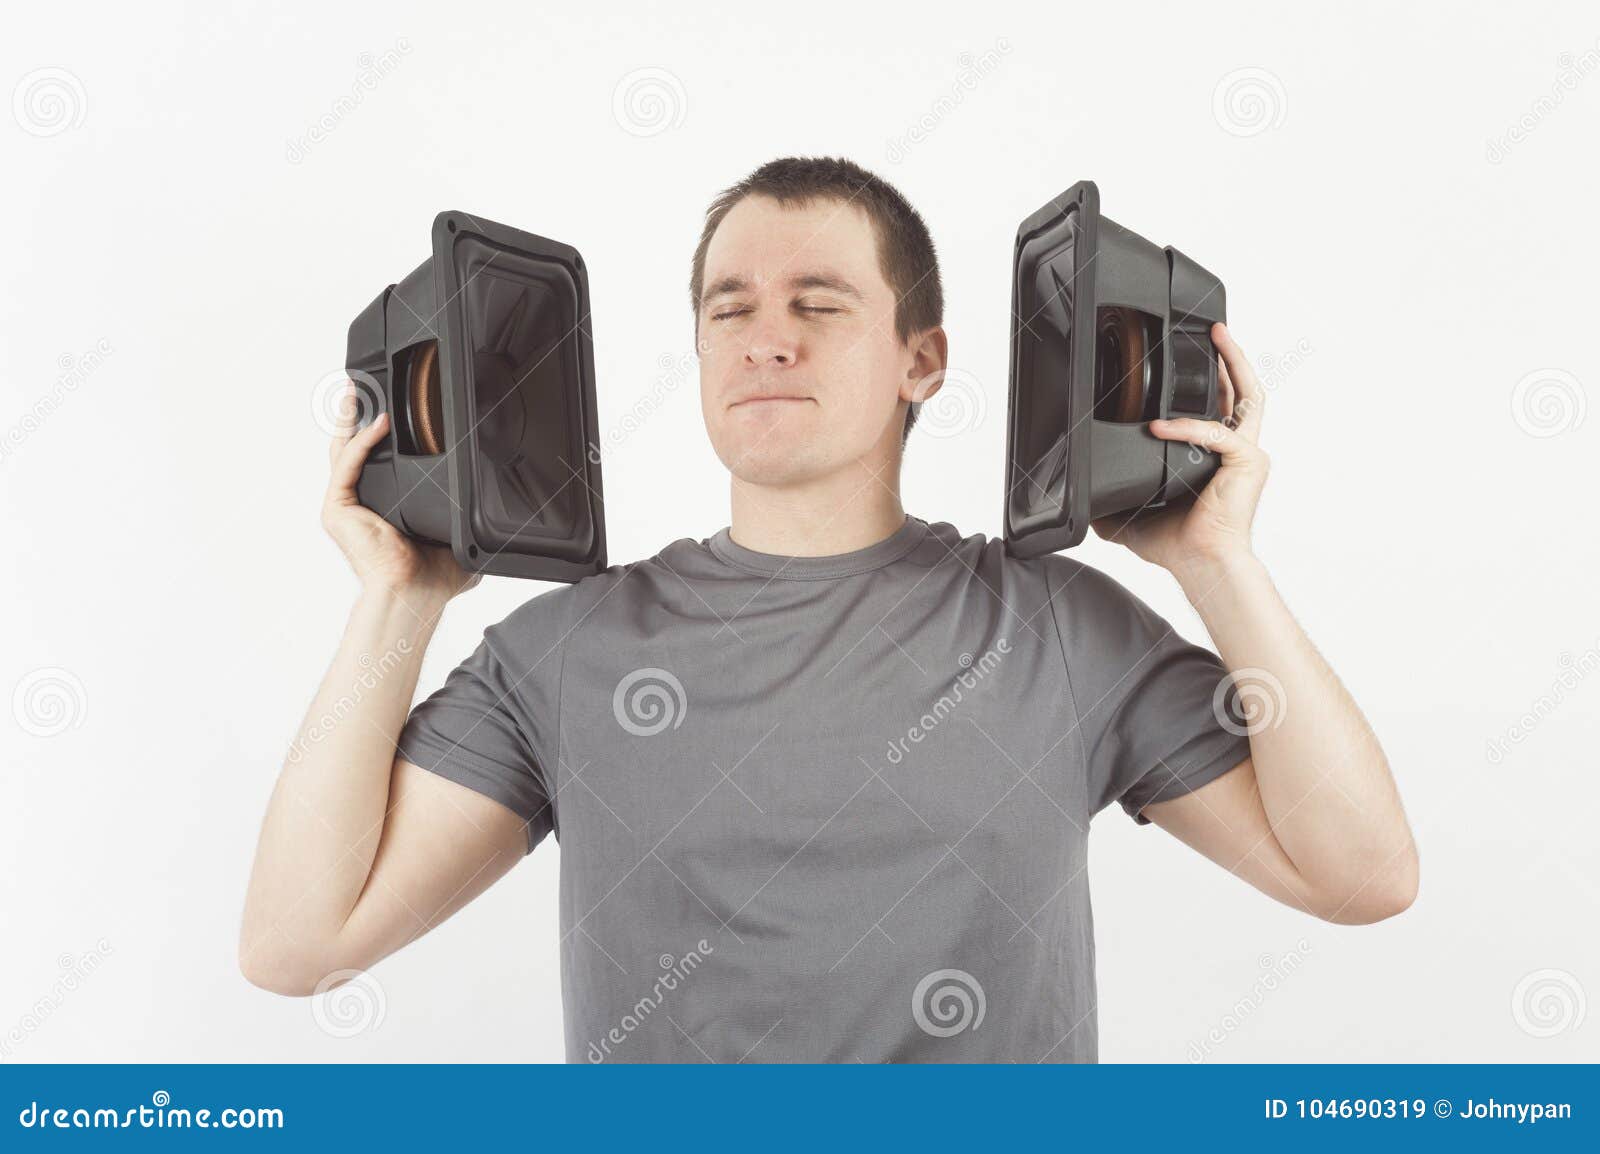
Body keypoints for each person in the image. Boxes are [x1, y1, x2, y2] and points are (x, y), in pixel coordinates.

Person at [240, 156, 1417, 1062]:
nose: (765, 340)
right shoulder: (564, 651)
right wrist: (396, 601)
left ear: (923, 360)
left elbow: (1361, 875)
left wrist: (1219, 563)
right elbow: (298, 943)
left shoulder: (1058, 626)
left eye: (819, 303)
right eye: (728, 308)